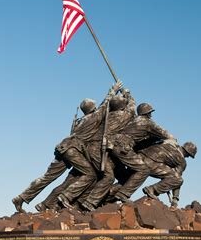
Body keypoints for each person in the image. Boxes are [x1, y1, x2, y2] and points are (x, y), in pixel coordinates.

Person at [12, 81, 123, 213]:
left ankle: (22, 197)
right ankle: (66, 197)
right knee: (90, 174)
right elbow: (105, 105)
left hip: (63, 148)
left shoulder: (80, 121)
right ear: (92, 108)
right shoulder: (93, 118)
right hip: (72, 150)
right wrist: (113, 90)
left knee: (47, 177)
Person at [107, 103, 175, 202]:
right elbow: (166, 134)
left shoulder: (134, 120)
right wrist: (172, 141)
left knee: (127, 176)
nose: (151, 115)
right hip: (123, 147)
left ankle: (107, 197)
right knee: (144, 170)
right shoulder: (147, 123)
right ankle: (123, 194)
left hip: (114, 144)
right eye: (150, 113)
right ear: (147, 113)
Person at [142, 141, 197, 207]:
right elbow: (176, 178)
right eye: (189, 155)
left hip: (143, 158)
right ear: (187, 152)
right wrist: (175, 198)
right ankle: (152, 189)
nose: (188, 157)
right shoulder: (182, 161)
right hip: (153, 166)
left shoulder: (170, 145)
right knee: (178, 179)